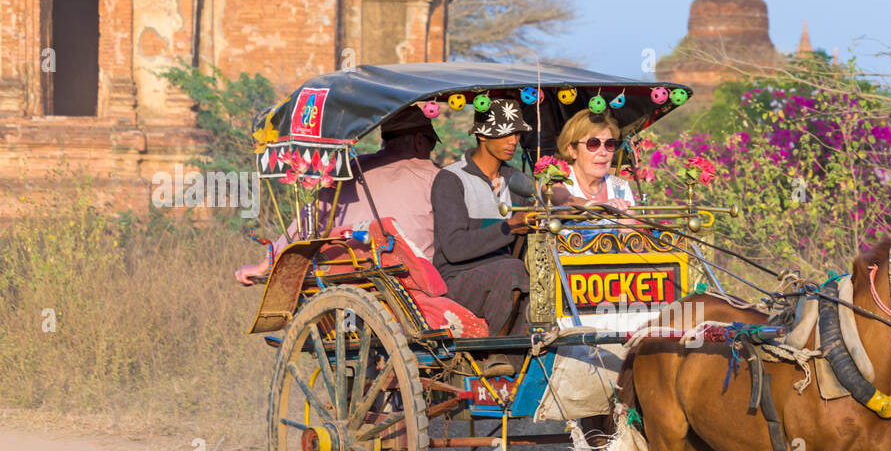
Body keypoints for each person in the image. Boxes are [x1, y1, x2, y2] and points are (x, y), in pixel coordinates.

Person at [234, 108, 439, 284]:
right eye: (431, 145)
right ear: (420, 141)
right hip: (412, 280)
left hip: (344, 276)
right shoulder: (436, 177)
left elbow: (306, 223)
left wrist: (265, 266)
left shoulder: (348, 170)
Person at [430, 98, 533, 352]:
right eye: (505, 133)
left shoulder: (516, 181)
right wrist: (508, 228)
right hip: (456, 280)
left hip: (504, 276)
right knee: (512, 270)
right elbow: (454, 248)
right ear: (483, 136)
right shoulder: (451, 179)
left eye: (517, 133)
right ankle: (498, 354)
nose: (514, 141)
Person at [550, 110, 636, 214]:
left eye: (609, 144)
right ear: (572, 150)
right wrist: (597, 207)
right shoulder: (555, 178)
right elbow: (565, 201)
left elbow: (629, 229)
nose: (603, 152)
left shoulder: (620, 187)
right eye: (593, 144)